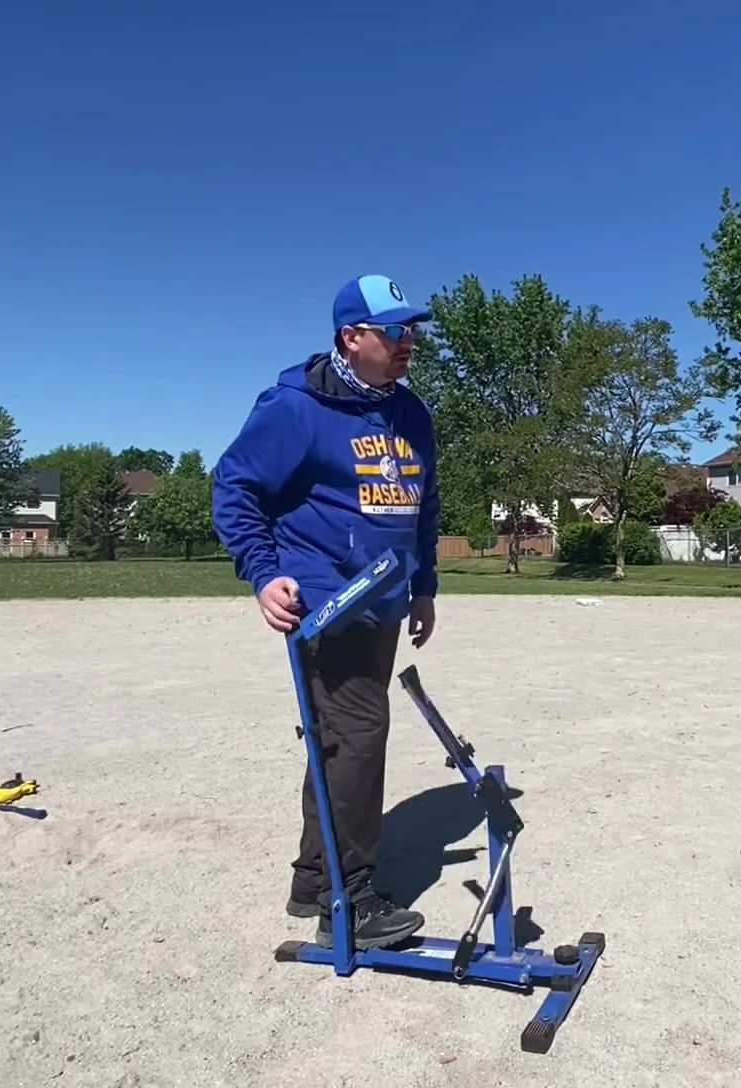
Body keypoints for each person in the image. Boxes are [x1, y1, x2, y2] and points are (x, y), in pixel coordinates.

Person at [211, 274, 441, 951]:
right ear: (351, 337)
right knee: (360, 734)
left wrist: (425, 585)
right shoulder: (294, 407)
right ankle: (353, 897)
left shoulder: (411, 413)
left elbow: (423, 508)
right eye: (397, 332)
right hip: (325, 602)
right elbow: (236, 488)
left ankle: (315, 879)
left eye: (413, 331)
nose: (410, 345)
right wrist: (263, 572)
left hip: (386, 600)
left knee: (339, 743)